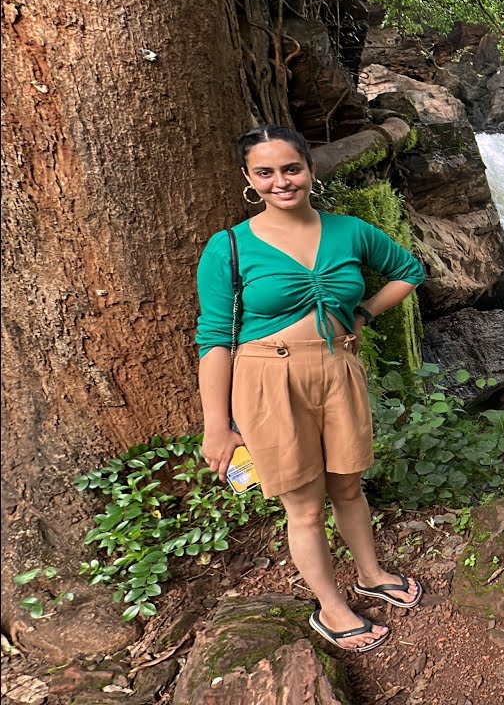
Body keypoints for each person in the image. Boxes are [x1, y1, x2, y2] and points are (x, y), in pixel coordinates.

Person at [196, 124, 424, 652]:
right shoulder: (228, 246)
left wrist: (363, 312)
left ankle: (370, 573)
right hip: (267, 378)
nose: (281, 181)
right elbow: (213, 338)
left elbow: (408, 270)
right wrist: (217, 427)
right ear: (249, 180)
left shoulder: (350, 231)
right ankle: (331, 607)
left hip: (338, 369)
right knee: (303, 505)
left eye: (291, 168)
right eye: (266, 172)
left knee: (348, 485)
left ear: (311, 170)